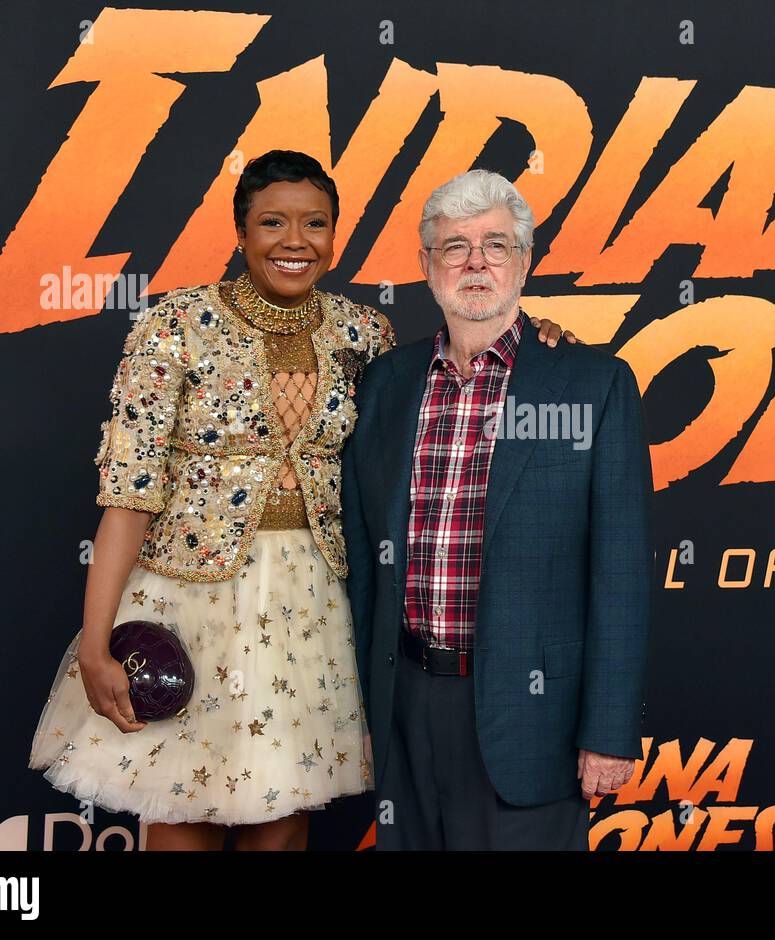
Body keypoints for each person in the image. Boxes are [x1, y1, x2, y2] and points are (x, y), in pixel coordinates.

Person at [29, 151, 577, 851]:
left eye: (314, 223)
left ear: (335, 235)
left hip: (311, 606)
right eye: (273, 223)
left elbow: (452, 370)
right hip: (189, 603)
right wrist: (97, 641)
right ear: (240, 232)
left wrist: (544, 342)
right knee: (178, 807)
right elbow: (128, 496)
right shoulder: (176, 324)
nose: (295, 241)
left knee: (284, 815)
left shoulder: (361, 333)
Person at [342, 169, 653, 850]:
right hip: (406, 705)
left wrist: (607, 732)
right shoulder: (386, 385)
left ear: (526, 260)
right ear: (427, 266)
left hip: (532, 716)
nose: (475, 262)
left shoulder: (593, 384)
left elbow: (622, 576)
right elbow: (365, 562)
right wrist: (364, 708)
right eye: (454, 246)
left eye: (496, 245)